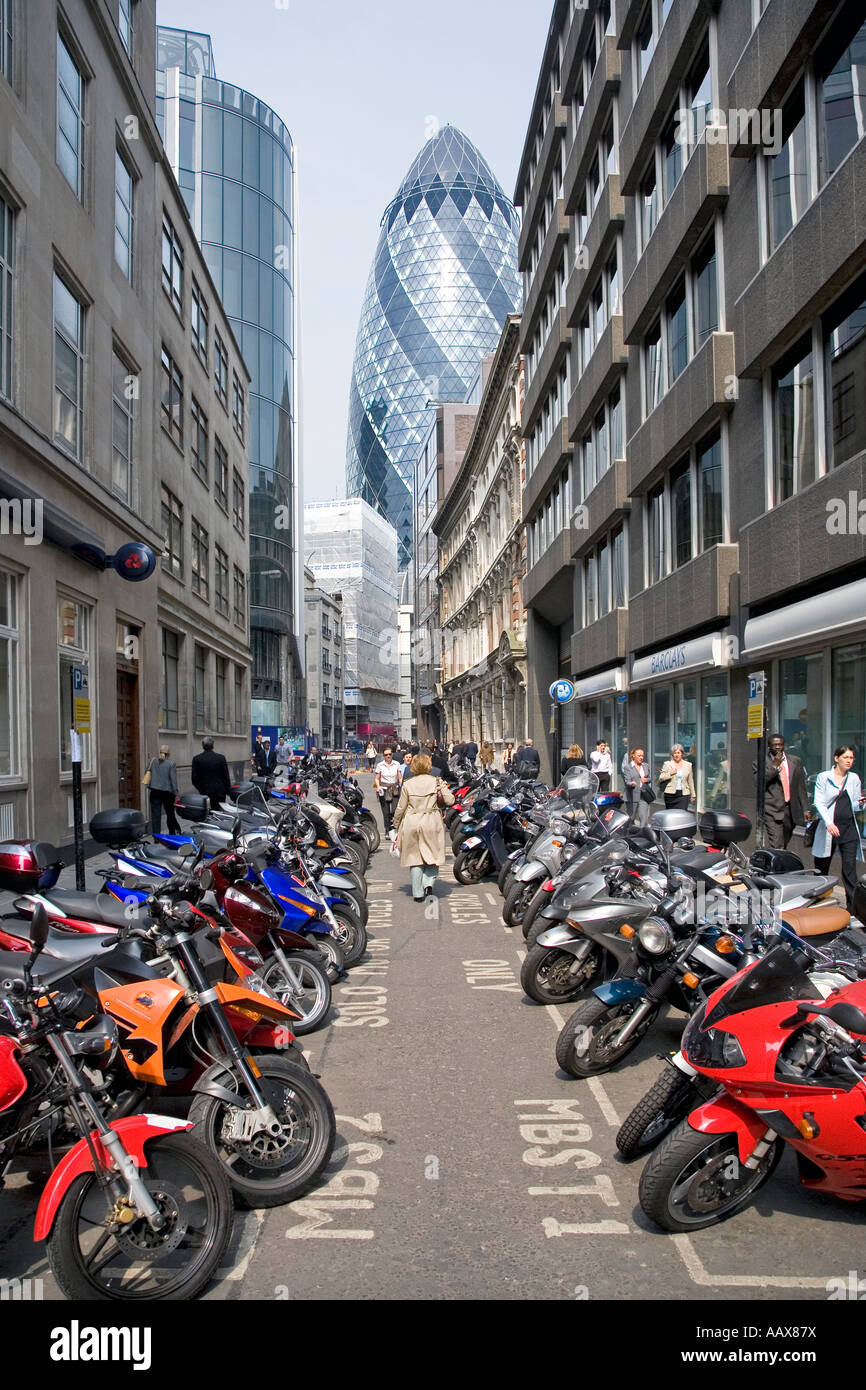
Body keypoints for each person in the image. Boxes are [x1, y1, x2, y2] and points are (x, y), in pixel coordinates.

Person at [392, 754, 455, 901]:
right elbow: (450, 800)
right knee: (433, 855)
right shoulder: (437, 781)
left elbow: (401, 807)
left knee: (415, 858)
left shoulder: (408, 784)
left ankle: (418, 893)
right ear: (428, 766)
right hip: (431, 820)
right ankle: (428, 883)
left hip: (412, 821)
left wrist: (396, 824)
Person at [812, 746, 864, 913]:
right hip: (828, 828)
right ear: (836, 758)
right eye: (846, 757)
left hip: (848, 829)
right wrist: (829, 823)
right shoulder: (824, 777)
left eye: (851, 757)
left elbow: (855, 805)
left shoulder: (854, 778)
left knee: (849, 869)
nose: (849, 760)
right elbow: (819, 802)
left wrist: (862, 803)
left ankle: (853, 909)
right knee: (822, 867)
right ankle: (818, 901)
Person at [755, 734, 810, 850]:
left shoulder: (795, 761)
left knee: (783, 843)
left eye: (780, 745)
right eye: (774, 745)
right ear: (769, 747)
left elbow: (801, 787)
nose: (778, 747)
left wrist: (806, 808)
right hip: (772, 810)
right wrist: (775, 766)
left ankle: (778, 862)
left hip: (790, 810)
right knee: (777, 845)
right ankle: (779, 866)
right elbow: (759, 783)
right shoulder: (760, 762)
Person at [146, 744, 180, 834]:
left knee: (155, 815)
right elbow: (173, 780)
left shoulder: (153, 761)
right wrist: (176, 793)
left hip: (154, 791)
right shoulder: (171, 764)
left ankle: (156, 836)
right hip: (167, 793)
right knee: (170, 813)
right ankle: (172, 832)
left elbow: (147, 772)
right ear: (169, 753)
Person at [191, 736, 232, 809]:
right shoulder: (221, 758)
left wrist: (201, 788)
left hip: (205, 792)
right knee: (220, 814)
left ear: (203, 745)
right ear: (213, 745)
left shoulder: (197, 759)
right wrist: (228, 790)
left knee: (207, 815)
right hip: (219, 792)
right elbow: (226, 777)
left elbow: (194, 778)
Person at [374, 746, 403, 833]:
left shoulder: (397, 764)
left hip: (394, 788)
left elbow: (399, 776)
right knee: (385, 812)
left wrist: (401, 783)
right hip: (384, 789)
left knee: (394, 810)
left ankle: (394, 826)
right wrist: (378, 786)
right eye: (386, 754)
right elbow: (377, 778)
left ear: (392, 754)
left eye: (390, 754)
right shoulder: (380, 765)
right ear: (383, 756)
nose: (388, 756)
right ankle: (387, 830)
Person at [622, 748, 652, 828]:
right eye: (639, 755)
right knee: (631, 818)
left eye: (642, 756)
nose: (641, 757)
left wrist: (646, 779)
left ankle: (643, 834)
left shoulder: (645, 766)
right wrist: (631, 783)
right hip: (632, 795)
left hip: (643, 795)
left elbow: (649, 778)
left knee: (644, 818)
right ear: (633, 756)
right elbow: (627, 780)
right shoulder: (628, 767)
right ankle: (627, 833)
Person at [658, 744, 695, 809]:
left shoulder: (688, 765)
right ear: (672, 754)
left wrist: (693, 794)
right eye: (675, 753)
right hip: (670, 794)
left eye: (678, 753)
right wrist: (670, 774)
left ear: (682, 754)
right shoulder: (667, 764)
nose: (677, 755)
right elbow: (661, 777)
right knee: (671, 815)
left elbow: (690, 781)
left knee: (682, 814)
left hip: (683, 794)